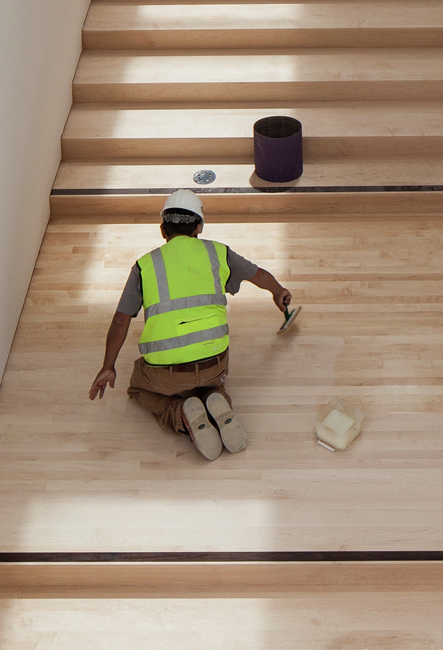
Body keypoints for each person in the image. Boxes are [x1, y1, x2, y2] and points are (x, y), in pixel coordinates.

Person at [88, 188, 293, 460]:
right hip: (215, 364)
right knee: (209, 383)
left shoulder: (145, 265)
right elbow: (259, 275)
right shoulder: (217, 252)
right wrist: (278, 291)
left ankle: (180, 415)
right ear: (199, 227)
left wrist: (108, 367)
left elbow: (120, 319)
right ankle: (216, 398)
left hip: (166, 374)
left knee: (137, 388)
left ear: (162, 230)